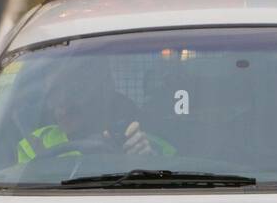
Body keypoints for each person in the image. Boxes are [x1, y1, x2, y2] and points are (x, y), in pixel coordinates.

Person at [14, 60, 166, 164]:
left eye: (73, 93)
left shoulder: (141, 140)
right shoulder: (33, 143)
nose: (63, 108)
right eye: (53, 93)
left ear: (101, 93)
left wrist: (148, 160)